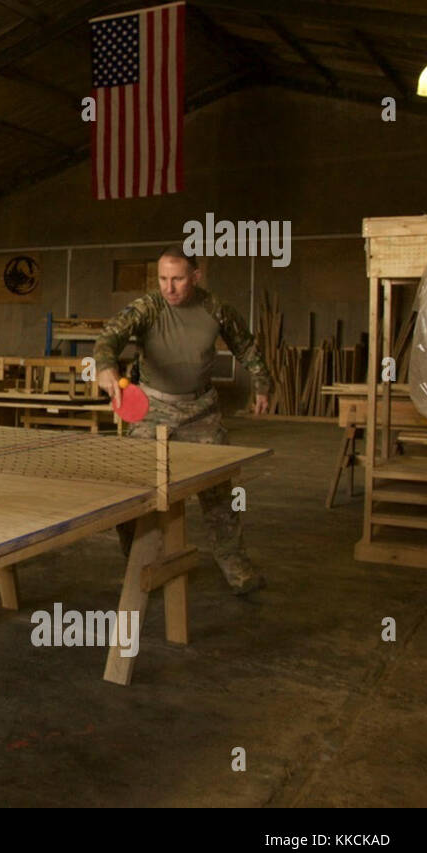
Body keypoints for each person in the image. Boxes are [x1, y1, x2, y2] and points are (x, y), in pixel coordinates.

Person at [94, 245, 271, 595]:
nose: (168, 287)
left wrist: (262, 384)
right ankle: (139, 565)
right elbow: (110, 336)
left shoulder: (215, 308)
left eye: (177, 279)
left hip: (200, 412)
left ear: (196, 276)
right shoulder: (148, 307)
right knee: (132, 489)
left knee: (220, 492)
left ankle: (236, 567)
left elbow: (246, 347)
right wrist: (105, 367)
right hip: (152, 409)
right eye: (162, 278)